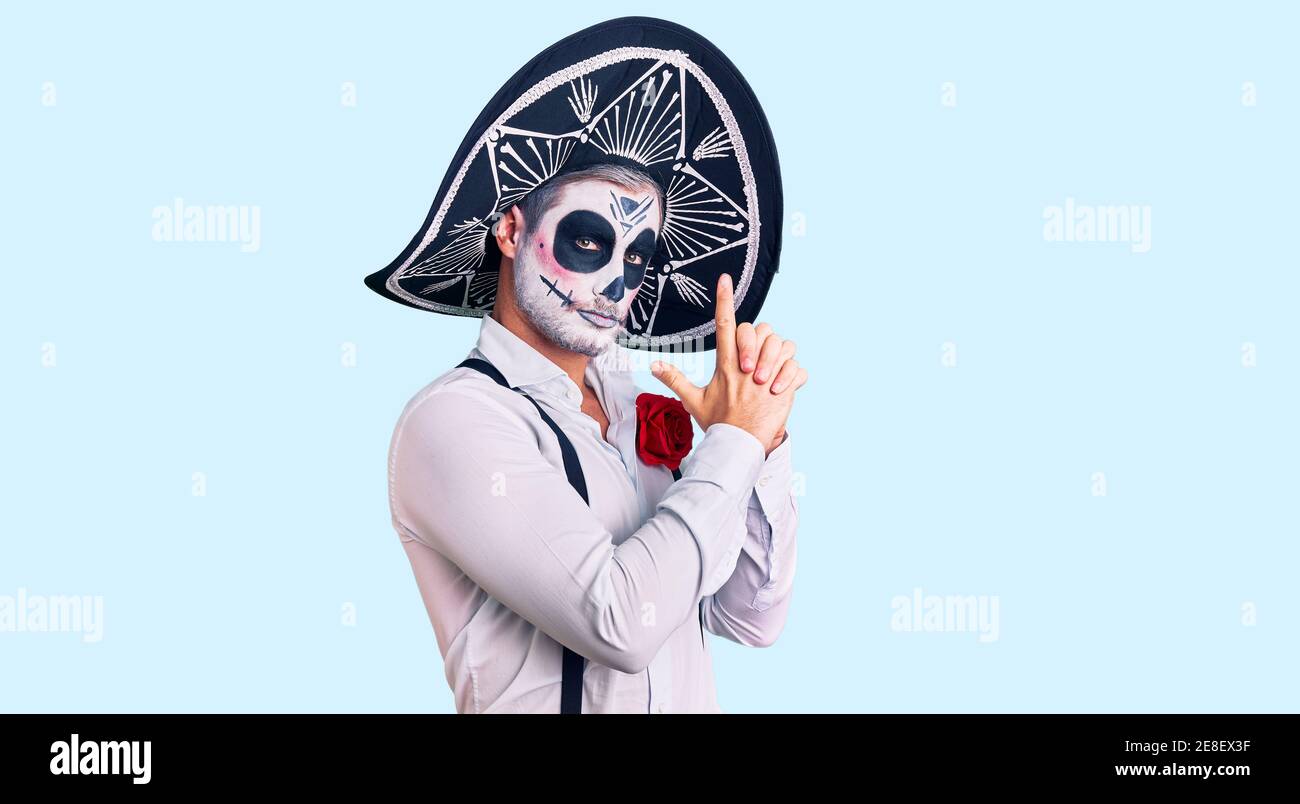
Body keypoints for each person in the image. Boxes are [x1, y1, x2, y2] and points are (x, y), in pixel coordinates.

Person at [365, 17, 801, 712]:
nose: (615, 286)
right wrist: (736, 444)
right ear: (512, 229)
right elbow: (620, 621)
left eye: (637, 257)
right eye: (590, 241)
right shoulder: (453, 421)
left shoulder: (644, 413)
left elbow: (749, 617)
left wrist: (758, 440)